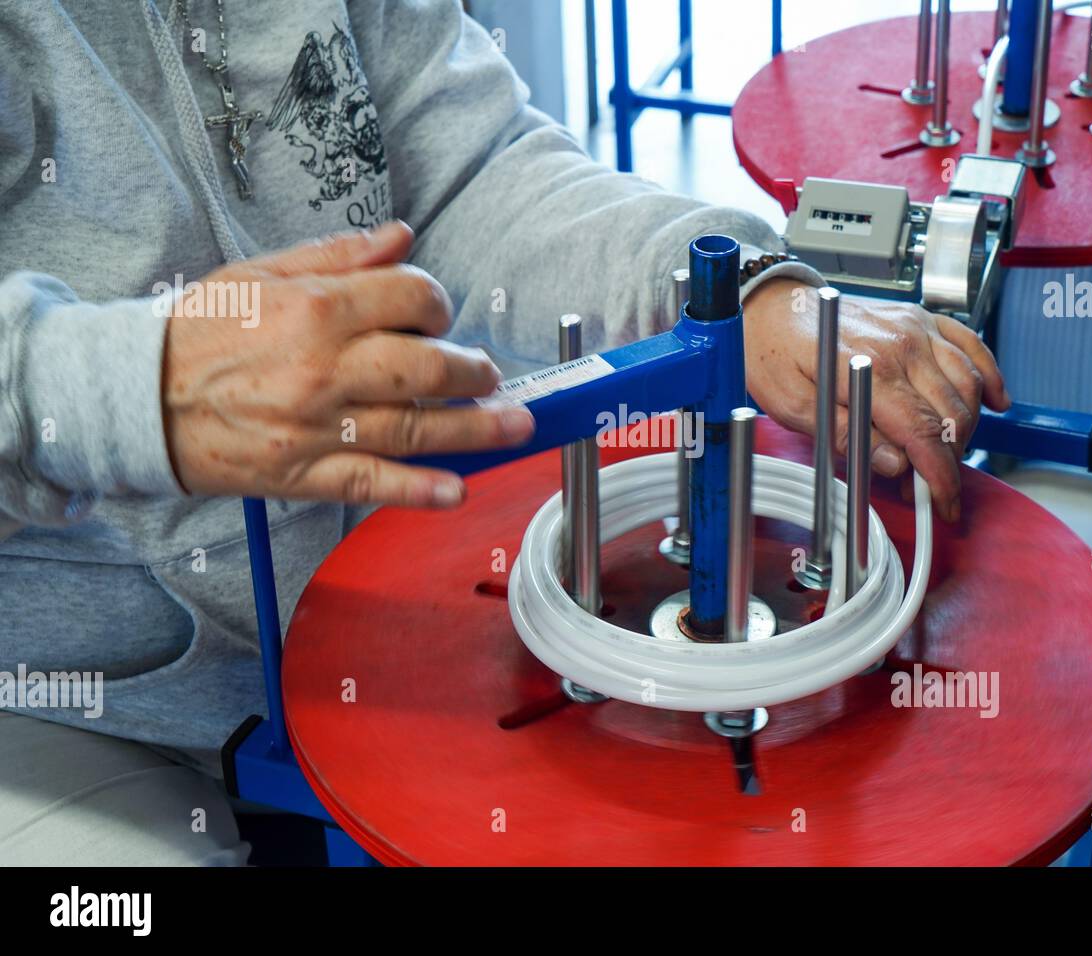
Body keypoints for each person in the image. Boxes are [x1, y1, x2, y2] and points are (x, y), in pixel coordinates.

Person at [0, 0, 1008, 865]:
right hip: (78, 700)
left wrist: (738, 294)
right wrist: (122, 391)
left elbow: (466, 169)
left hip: (374, 600)